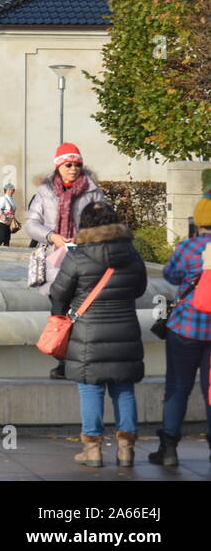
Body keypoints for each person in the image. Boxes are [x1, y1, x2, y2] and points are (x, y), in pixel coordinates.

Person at [48, 201, 147, 467]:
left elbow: (58, 293)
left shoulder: (78, 256)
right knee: (124, 389)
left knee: (90, 388)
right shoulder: (132, 254)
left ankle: (92, 450)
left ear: (85, 224)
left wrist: (61, 314)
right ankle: (126, 450)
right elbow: (139, 289)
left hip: (87, 333)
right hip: (125, 331)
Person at [24, 143, 106, 379]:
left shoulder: (93, 191)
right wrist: (52, 236)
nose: (73, 168)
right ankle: (62, 361)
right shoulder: (44, 192)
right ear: (58, 166)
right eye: (68, 164)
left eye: (77, 164)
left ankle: (80, 361)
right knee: (59, 312)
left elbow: (106, 222)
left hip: (85, 260)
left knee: (81, 312)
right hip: (55, 262)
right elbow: (31, 223)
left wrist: (85, 237)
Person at [149, 186, 211, 467]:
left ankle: (169, 449)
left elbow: (170, 276)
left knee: (177, 387)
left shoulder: (188, 248)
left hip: (185, 327)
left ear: (198, 221)